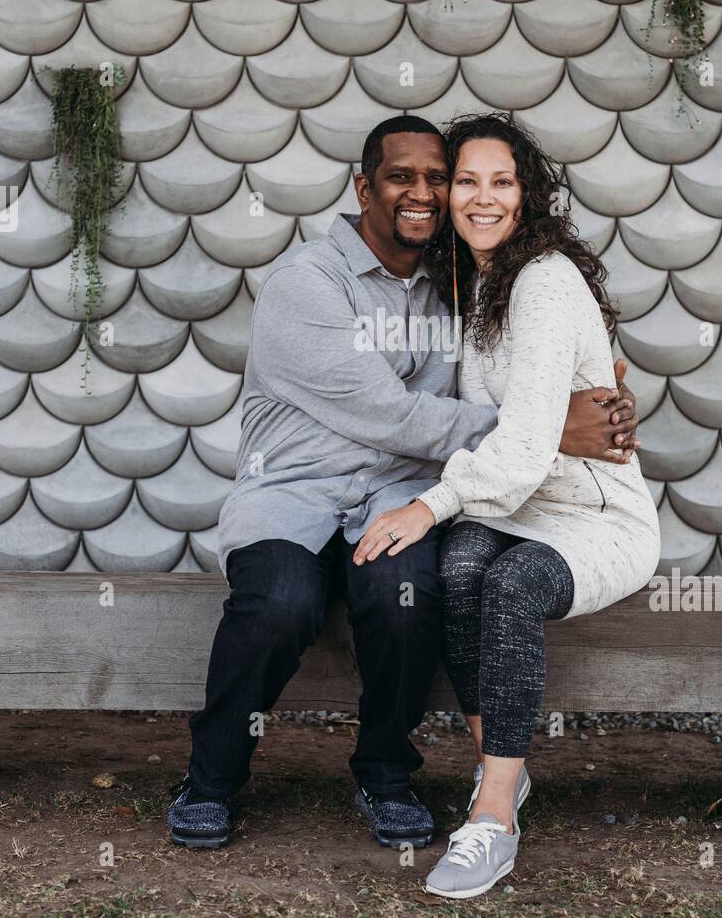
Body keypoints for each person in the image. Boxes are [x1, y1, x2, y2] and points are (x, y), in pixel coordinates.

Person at [168, 114, 641, 850]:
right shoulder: (305, 286)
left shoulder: (452, 285)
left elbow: (524, 363)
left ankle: (385, 773)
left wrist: (595, 391)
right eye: (400, 177)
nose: (422, 193)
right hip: (294, 493)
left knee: (404, 602)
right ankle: (210, 778)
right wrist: (550, 430)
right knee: (279, 603)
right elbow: (387, 412)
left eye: (436, 178)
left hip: (396, 501)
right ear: (364, 187)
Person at [353, 112, 661, 897]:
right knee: (458, 568)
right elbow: (513, 424)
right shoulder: (472, 279)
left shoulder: (542, 279)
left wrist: (428, 505)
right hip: (511, 508)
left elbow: (523, 444)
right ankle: (508, 762)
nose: (481, 198)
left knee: (508, 582)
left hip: (595, 521)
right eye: (466, 181)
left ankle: (491, 813)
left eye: (501, 182)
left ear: (526, 195)